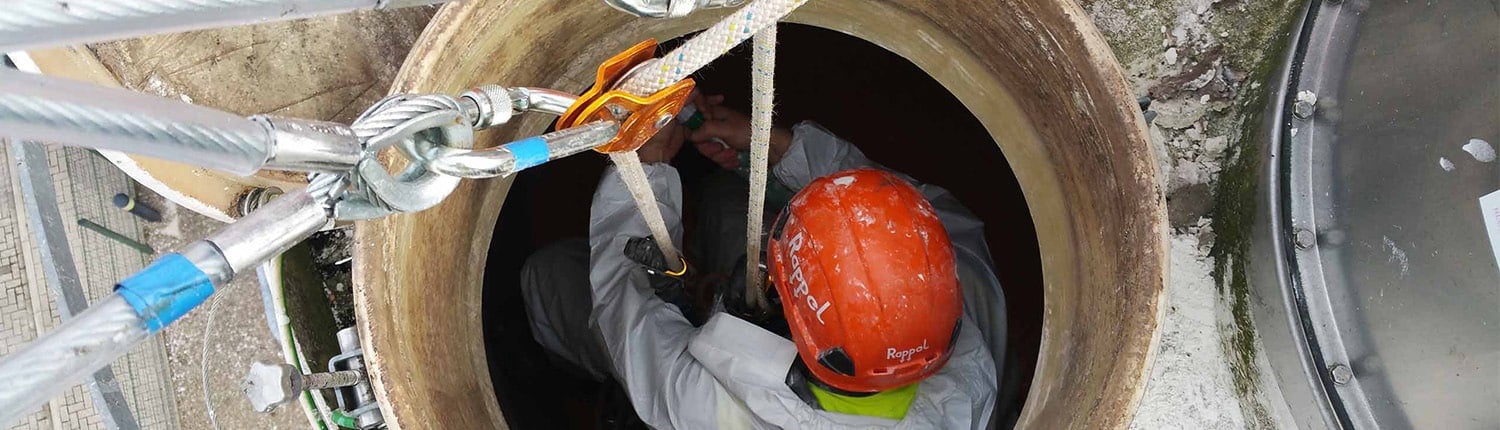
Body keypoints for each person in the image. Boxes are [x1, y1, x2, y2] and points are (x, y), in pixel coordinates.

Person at [520, 94, 1010, 429]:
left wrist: (644, 169)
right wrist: (777, 147)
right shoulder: (969, 329)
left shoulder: (710, 410)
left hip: (689, 380)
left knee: (545, 275)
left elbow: (622, 308)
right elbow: (918, 207)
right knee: (725, 202)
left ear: (790, 309)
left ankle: (564, 378)